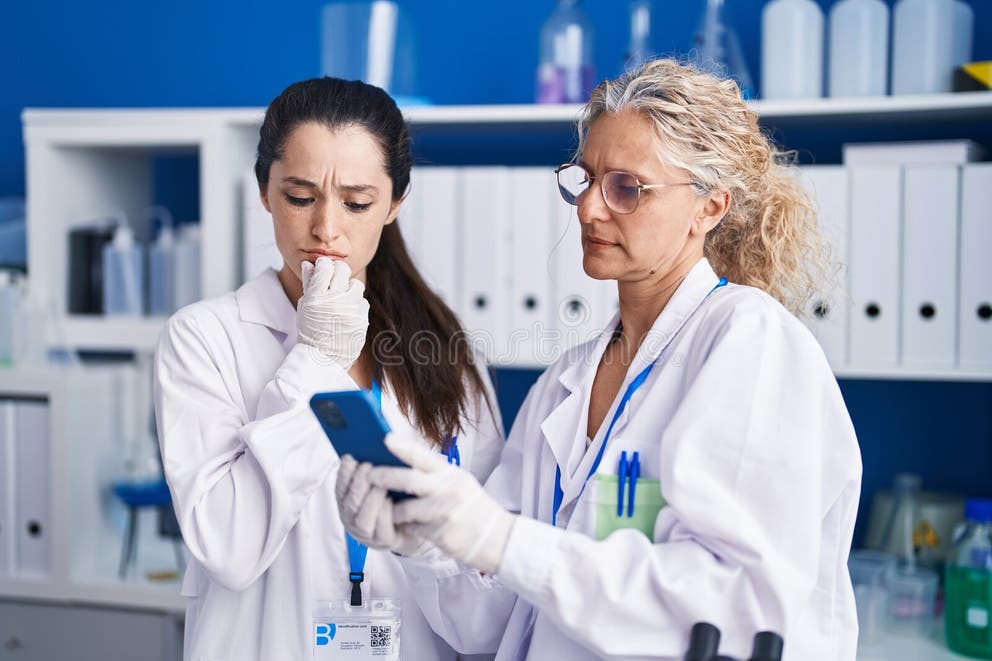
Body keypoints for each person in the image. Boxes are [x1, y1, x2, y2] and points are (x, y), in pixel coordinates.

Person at [335, 58, 863, 661]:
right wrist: (425, 543)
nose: (588, 209)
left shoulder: (751, 342)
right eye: (585, 180)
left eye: (626, 188)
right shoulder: (564, 382)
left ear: (709, 207)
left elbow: (734, 610)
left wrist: (498, 537)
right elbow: (492, 625)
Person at [153, 77, 504, 661]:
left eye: (358, 202)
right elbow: (229, 547)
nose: (326, 229)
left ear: (394, 204)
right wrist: (317, 359)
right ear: (265, 191)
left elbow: (485, 606)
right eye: (299, 196)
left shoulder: (445, 350)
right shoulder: (204, 338)